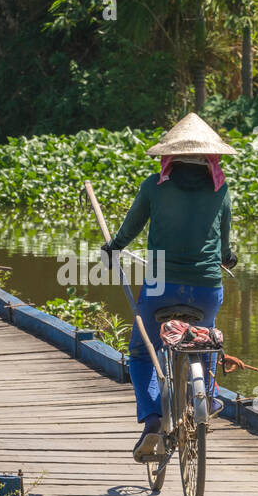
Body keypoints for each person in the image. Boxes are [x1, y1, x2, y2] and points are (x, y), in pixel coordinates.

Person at [101, 112, 237, 462]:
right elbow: (224, 249)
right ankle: (204, 396)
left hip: (161, 282)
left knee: (141, 352)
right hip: (206, 287)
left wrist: (113, 248)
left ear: (170, 158)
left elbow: (128, 231)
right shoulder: (221, 190)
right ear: (211, 158)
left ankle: (152, 420)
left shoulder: (153, 186)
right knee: (203, 342)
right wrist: (229, 257)